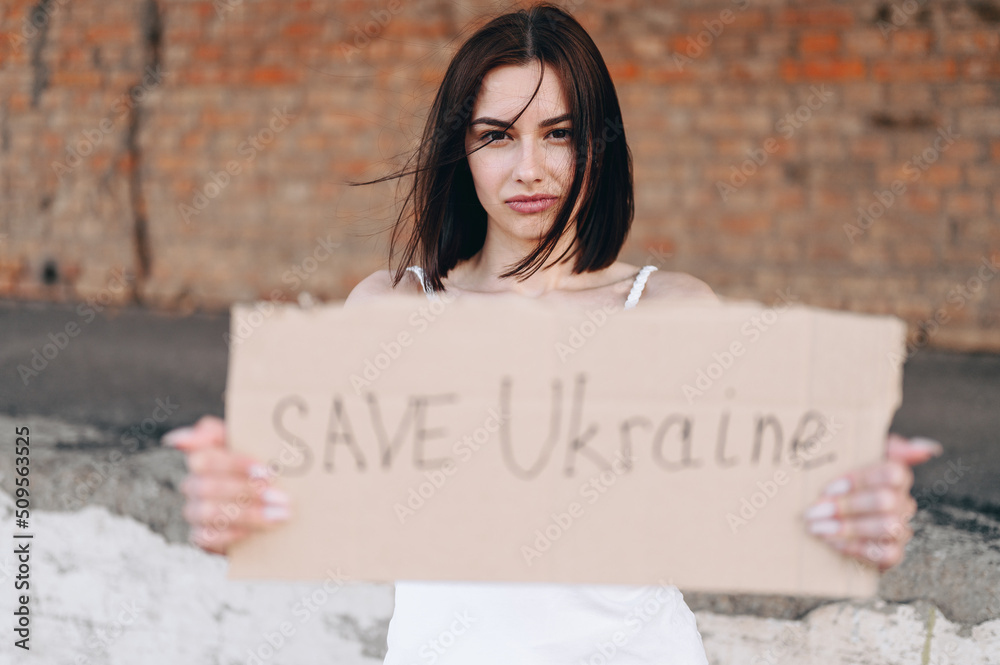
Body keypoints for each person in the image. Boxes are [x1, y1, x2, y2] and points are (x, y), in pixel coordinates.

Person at [162, 4, 943, 663]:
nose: (530, 167)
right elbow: (309, 498)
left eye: (559, 133)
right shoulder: (392, 310)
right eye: (498, 135)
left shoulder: (669, 312)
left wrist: (855, 510)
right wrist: (235, 508)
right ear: (461, 150)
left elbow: (767, 492)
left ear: (597, 144)